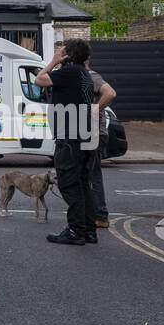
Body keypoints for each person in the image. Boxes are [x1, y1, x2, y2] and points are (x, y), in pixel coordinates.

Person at [36, 40, 100, 246]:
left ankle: (75, 231)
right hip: (85, 135)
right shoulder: (84, 74)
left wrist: (53, 61)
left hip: (70, 138)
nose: (58, 53)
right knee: (82, 184)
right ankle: (89, 230)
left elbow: (40, 79)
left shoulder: (70, 71)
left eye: (61, 51)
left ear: (68, 55)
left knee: (69, 184)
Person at [88, 60, 117, 229]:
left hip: (94, 133)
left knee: (92, 175)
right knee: (91, 174)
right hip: (93, 133)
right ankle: (95, 214)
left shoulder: (92, 77)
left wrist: (93, 111)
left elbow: (111, 93)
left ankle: (99, 215)